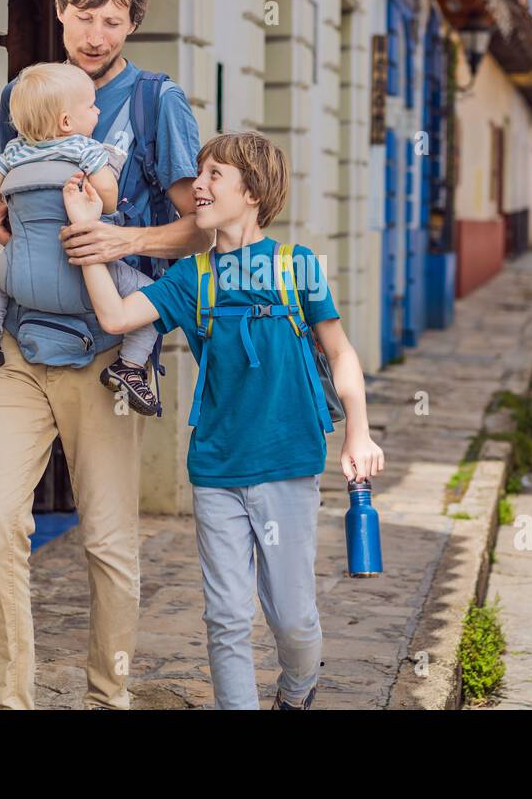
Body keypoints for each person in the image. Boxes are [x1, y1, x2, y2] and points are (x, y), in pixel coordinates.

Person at [64, 131, 385, 709]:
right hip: (215, 467)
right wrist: (89, 241)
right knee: (227, 617)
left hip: (288, 463)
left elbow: (340, 352)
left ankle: (298, 686)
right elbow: (114, 317)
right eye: (200, 172)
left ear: (253, 191)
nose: (200, 186)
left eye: (215, 175)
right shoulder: (192, 276)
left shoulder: (298, 267)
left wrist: (358, 430)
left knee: (293, 619)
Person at [0, 0, 209, 710]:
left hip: (107, 353)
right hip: (18, 347)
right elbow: (5, 190)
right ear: (60, 13)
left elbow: (199, 227)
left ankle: (109, 697)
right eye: (83, 17)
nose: (95, 34)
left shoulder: (154, 102)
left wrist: (124, 241)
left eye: (112, 21)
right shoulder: (25, 90)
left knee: (108, 543)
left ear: (133, 22)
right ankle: (9, 697)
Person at [0, 61, 160, 415]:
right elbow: (107, 193)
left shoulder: (15, 151)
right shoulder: (87, 149)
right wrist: (105, 198)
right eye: (92, 106)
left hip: (22, 279)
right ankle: (130, 366)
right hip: (88, 284)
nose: (98, 110)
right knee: (153, 299)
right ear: (66, 122)